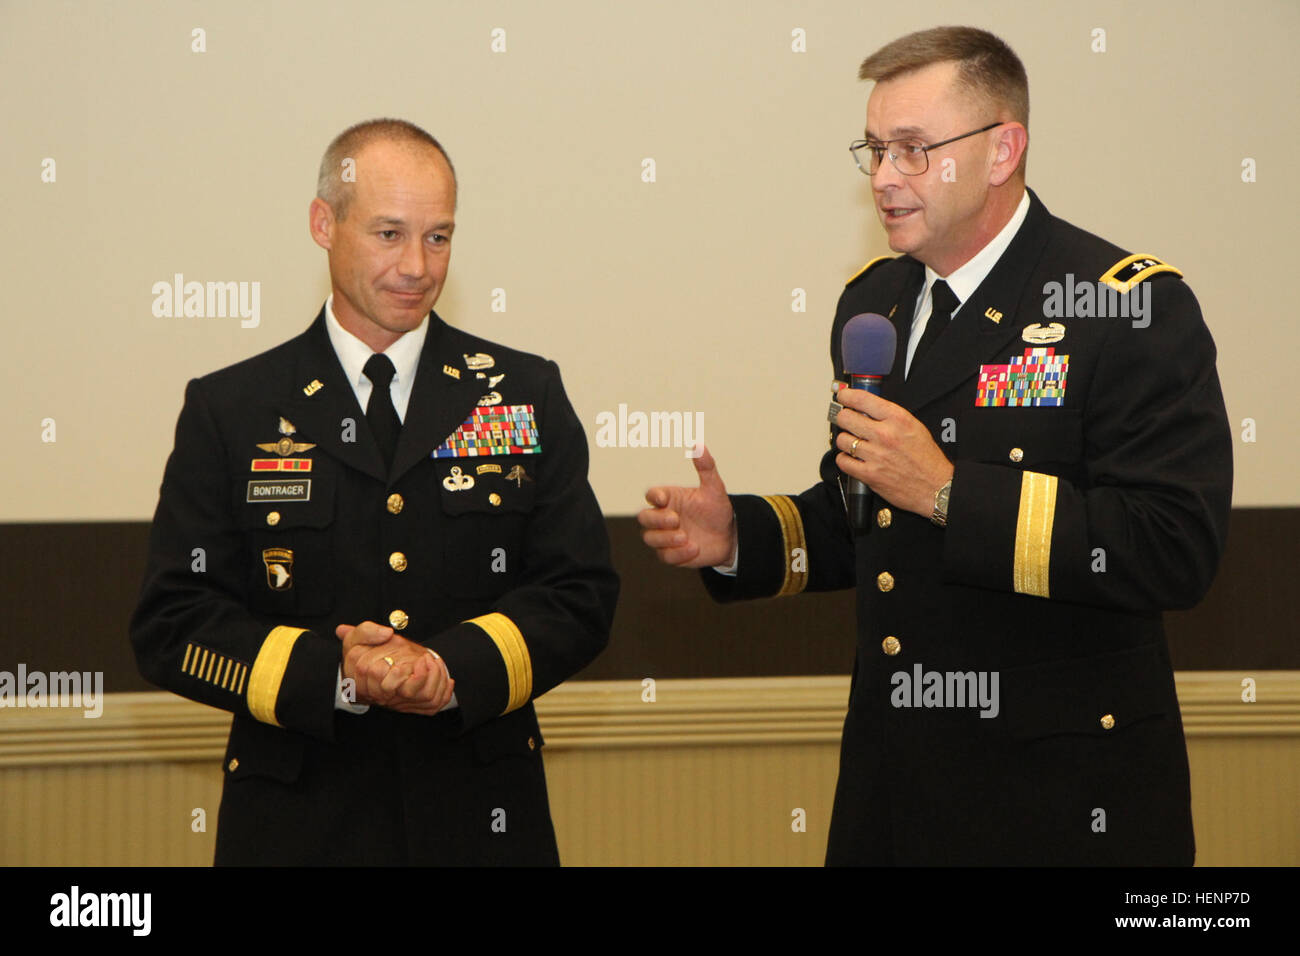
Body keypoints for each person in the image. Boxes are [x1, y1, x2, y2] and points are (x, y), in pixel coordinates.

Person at [638, 27, 1231, 865]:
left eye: (914, 151)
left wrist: (953, 493)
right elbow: (867, 514)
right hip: (896, 793)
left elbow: (1175, 549)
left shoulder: (1124, 305)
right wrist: (740, 538)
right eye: (875, 150)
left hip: (1062, 802)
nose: (883, 178)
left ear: (1002, 150)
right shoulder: (872, 305)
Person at [131, 118, 619, 865]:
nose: (417, 266)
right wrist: (336, 675)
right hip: (296, 827)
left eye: (439, 237)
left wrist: (452, 667)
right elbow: (173, 624)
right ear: (325, 224)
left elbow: (579, 594)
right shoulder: (233, 408)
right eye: (389, 234)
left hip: (483, 823)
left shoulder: (523, 392)